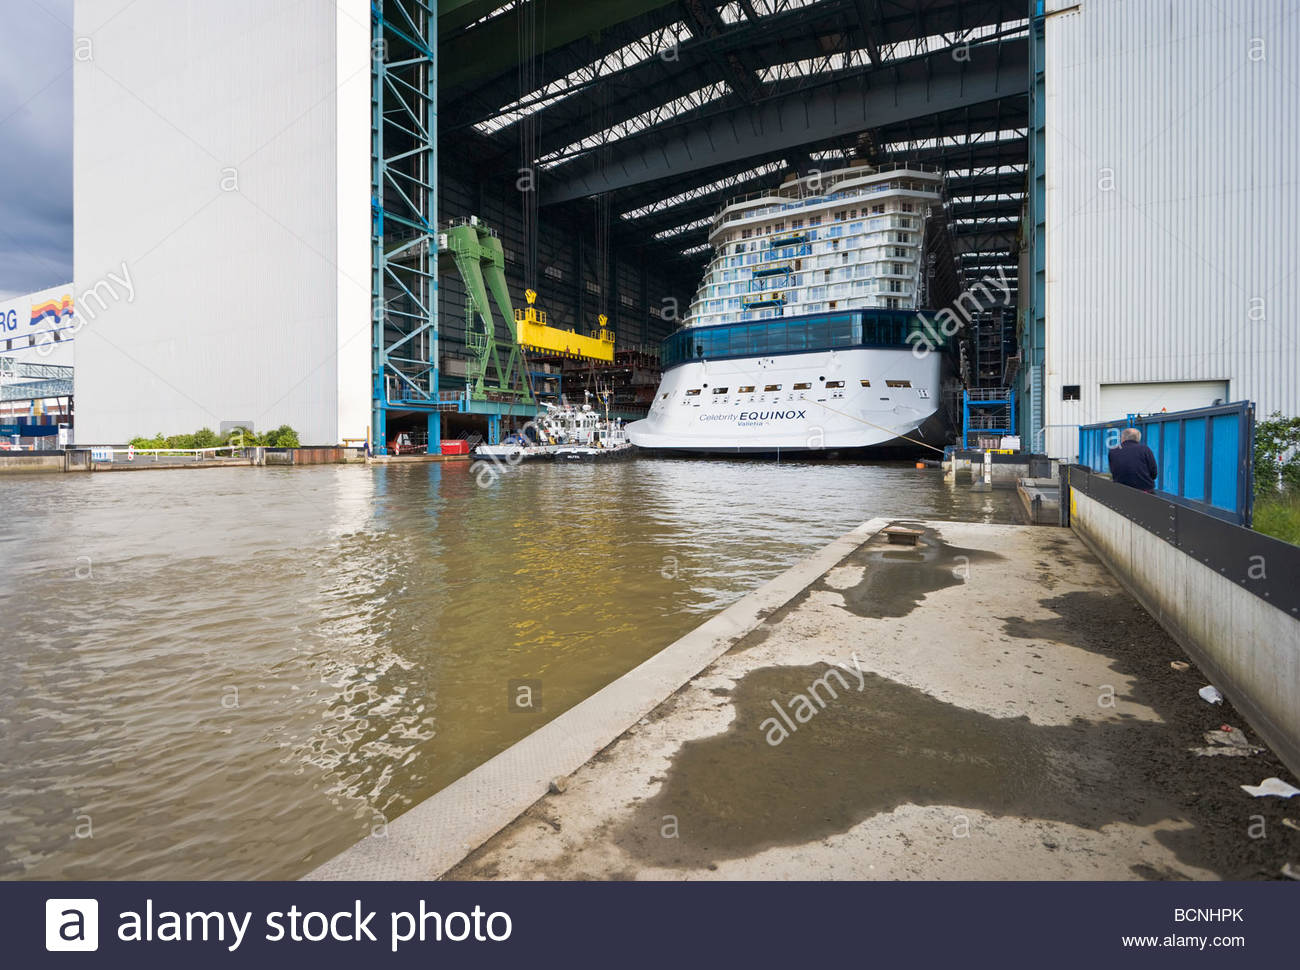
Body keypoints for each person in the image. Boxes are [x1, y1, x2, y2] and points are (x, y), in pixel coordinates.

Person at [1108, 427, 1158, 492]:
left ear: (1122, 438)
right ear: (1138, 439)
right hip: (1144, 491)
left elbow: (1113, 471)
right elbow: (1153, 472)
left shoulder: (1113, 451)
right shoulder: (1145, 449)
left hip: (1120, 489)